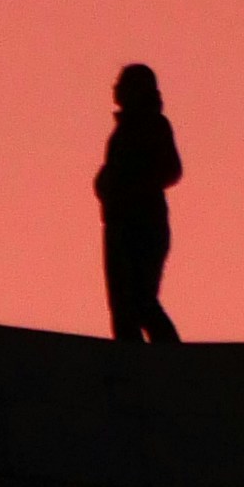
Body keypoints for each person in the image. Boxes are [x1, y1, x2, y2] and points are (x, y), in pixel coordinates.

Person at [96, 61, 182, 345]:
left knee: (141, 301)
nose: (117, 90)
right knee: (123, 305)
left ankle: (172, 363)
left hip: (142, 224)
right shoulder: (125, 131)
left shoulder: (153, 126)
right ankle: (129, 364)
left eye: (123, 84)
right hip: (120, 224)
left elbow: (171, 169)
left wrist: (132, 188)